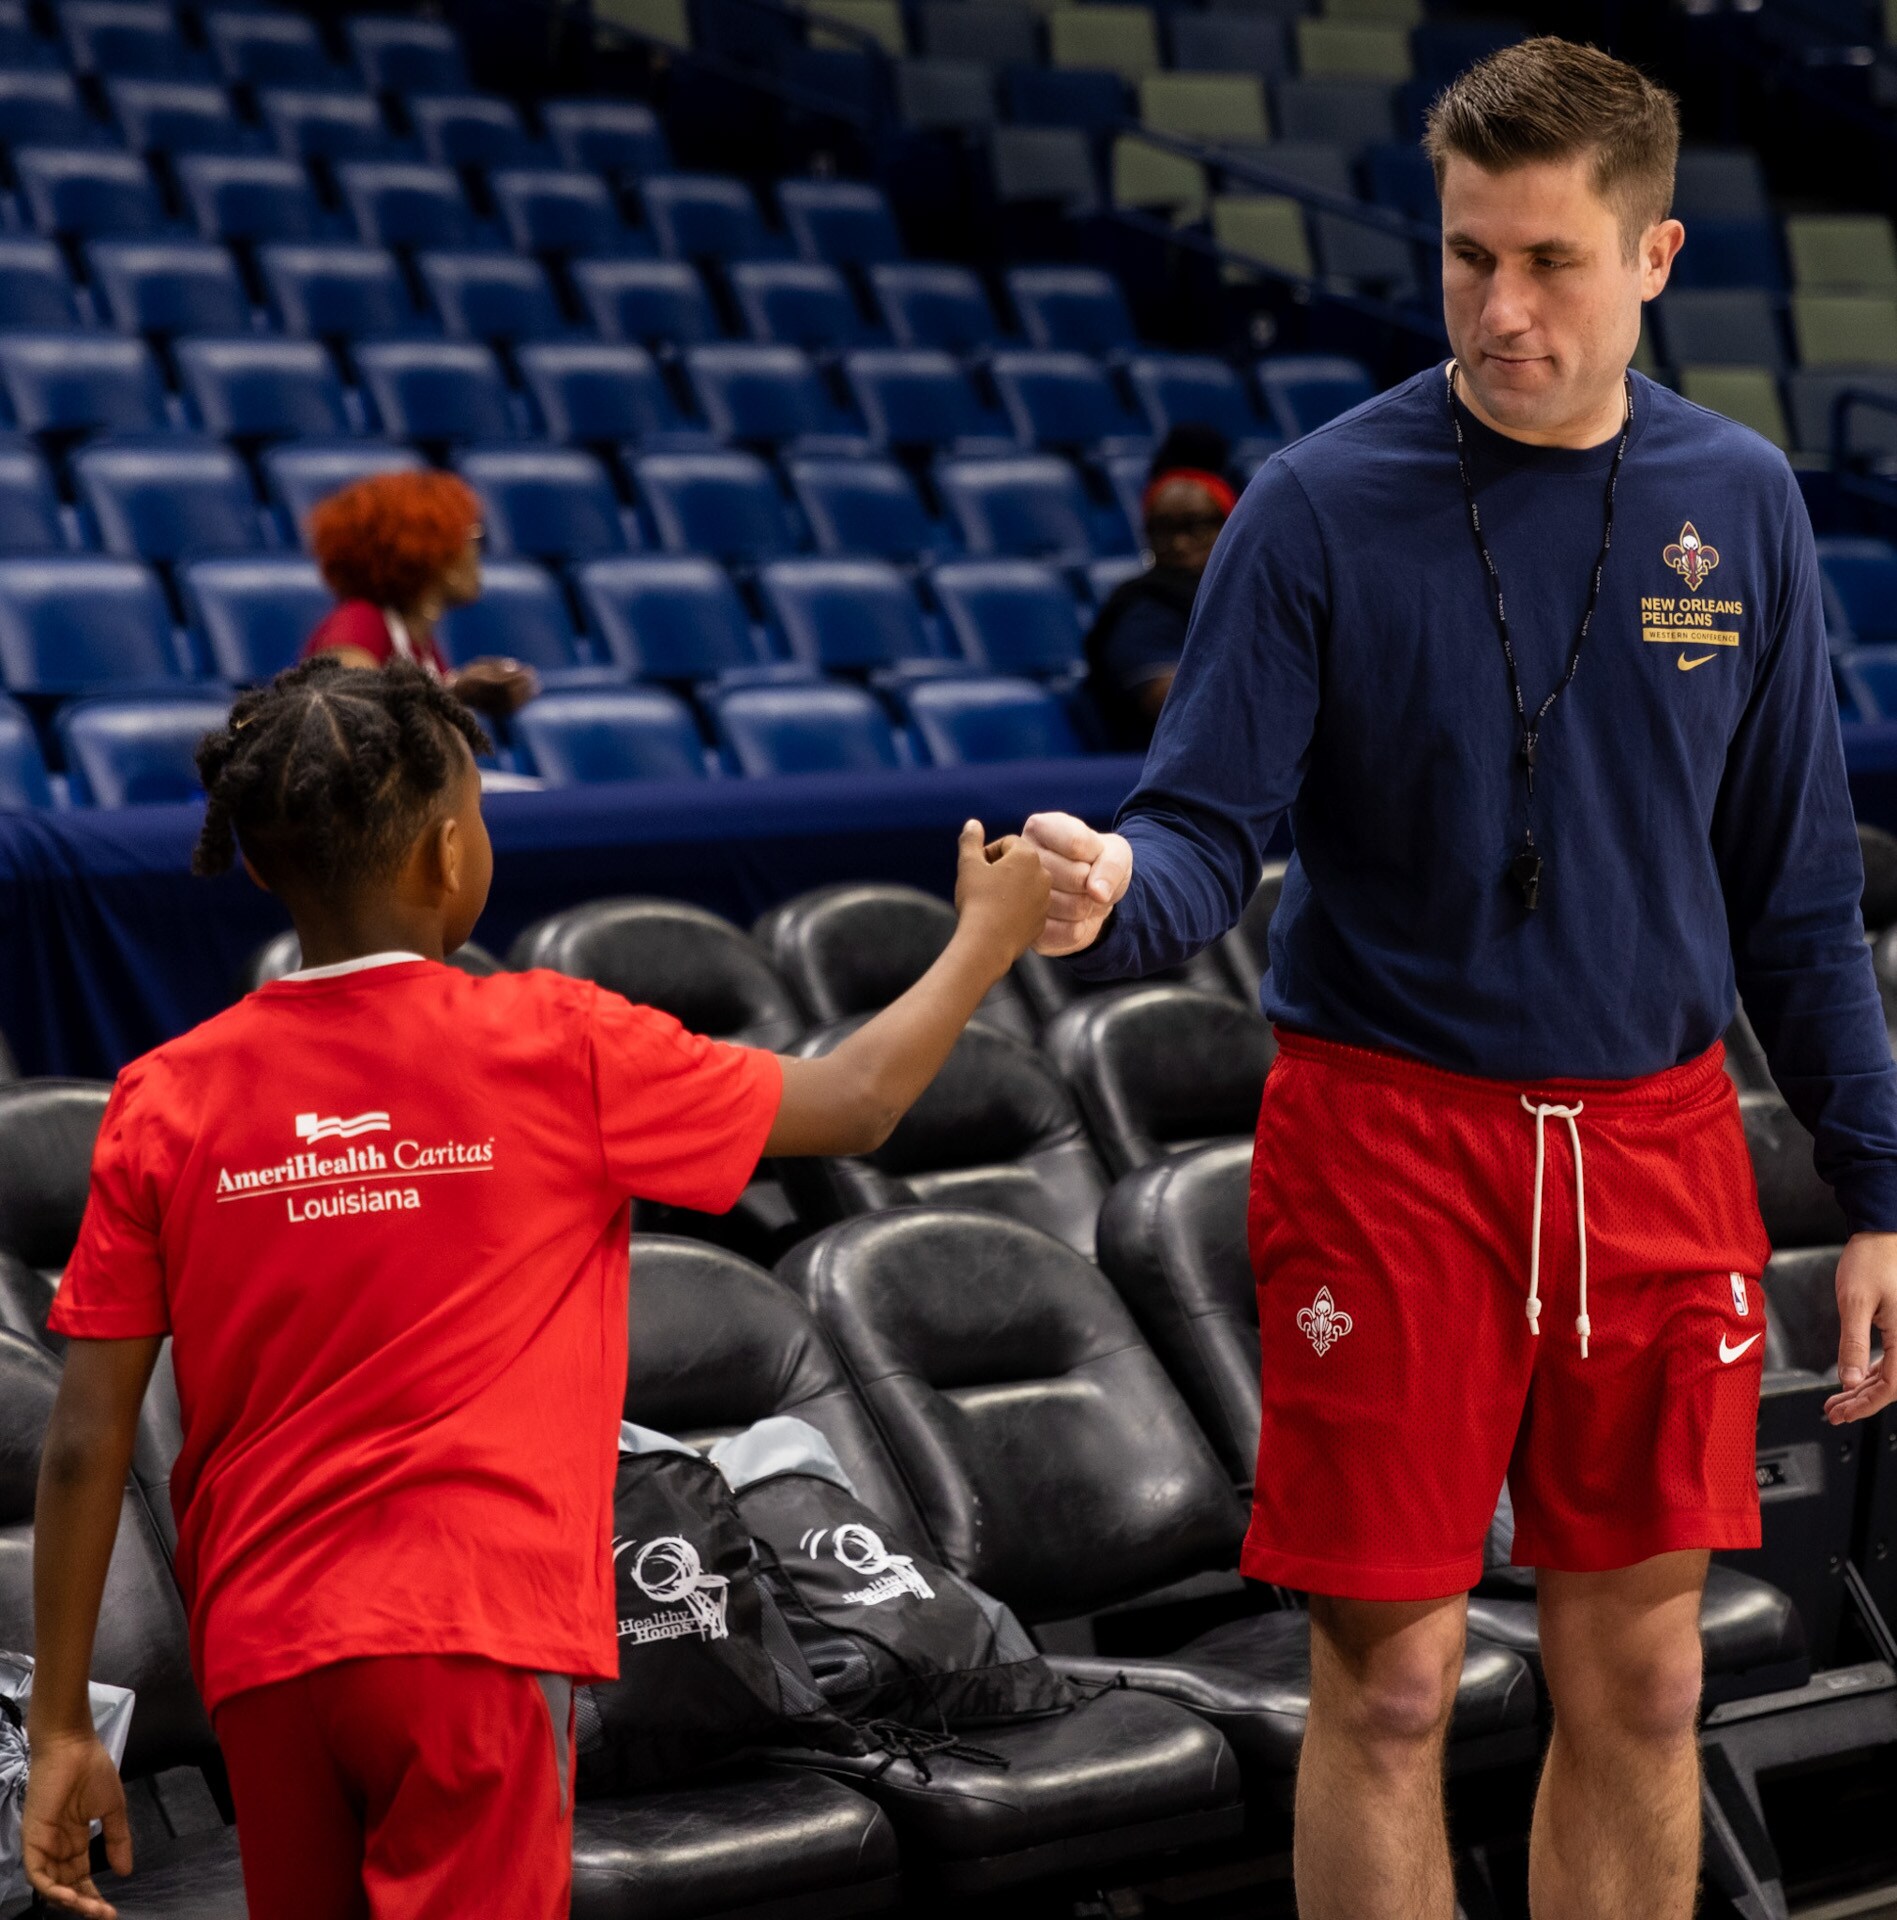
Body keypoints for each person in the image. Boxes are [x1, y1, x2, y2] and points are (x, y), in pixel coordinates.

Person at [1022, 37, 1897, 1920]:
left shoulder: (1738, 506)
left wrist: (1882, 1190)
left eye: (1549, 263)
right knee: (1397, 1680)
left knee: (1648, 1679)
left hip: (1655, 1145)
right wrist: (1110, 886)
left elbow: (1800, 896)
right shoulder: (1316, 505)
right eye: (1465, 258)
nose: (1502, 307)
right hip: (1388, 1137)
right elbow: (1201, 831)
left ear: (1653, 256)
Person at [21, 656, 1050, 1920]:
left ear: (253, 861)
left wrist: (65, 1726)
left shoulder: (160, 1096)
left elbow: (84, 1443)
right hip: (471, 1637)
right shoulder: (559, 1042)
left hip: (261, 1649)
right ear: (451, 854)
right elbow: (858, 1098)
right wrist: (983, 943)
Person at [303, 470, 538, 720]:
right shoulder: (359, 622)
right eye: (472, 536)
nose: (477, 551)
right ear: (430, 553)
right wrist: (453, 691)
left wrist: (452, 691)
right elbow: (347, 712)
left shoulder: (419, 641)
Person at [1084, 426, 1238, 749]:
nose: (1179, 544)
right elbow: (1174, 702)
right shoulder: (1142, 606)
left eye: (1195, 526)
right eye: (1163, 529)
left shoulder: (1239, 594)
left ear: (1229, 526)